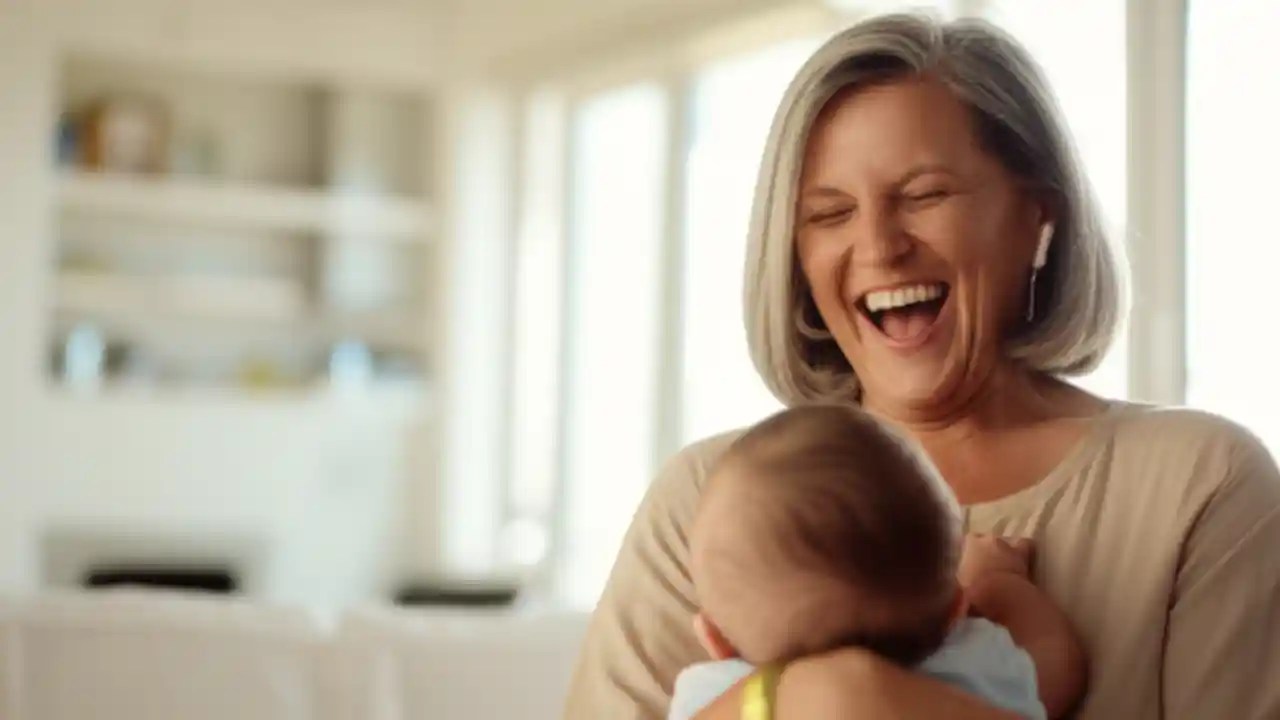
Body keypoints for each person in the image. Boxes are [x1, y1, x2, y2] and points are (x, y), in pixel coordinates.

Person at [562, 12, 1280, 720]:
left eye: (924, 195)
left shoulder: (1199, 484)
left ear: (1040, 217)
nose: (878, 246)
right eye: (831, 212)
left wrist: (838, 696)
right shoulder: (708, 498)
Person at [667, 404, 1085, 720]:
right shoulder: (974, 663)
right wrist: (1001, 583)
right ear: (957, 609)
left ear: (715, 640)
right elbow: (1057, 664)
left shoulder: (712, 695)